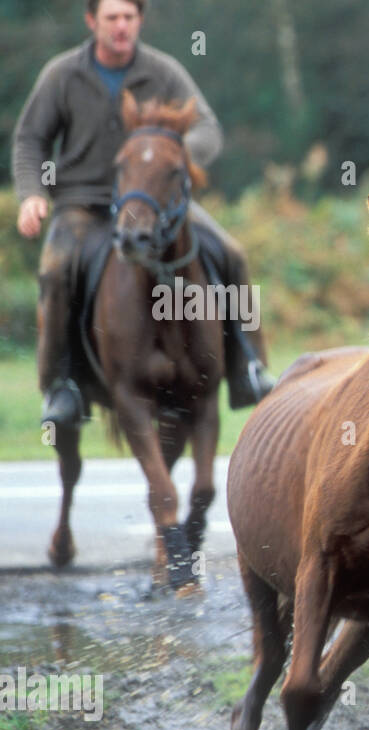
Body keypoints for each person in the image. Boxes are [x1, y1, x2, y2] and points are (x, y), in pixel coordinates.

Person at [12, 0, 274, 429]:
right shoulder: (61, 75)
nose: (121, 26)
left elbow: (208, 127)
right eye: (112, 17)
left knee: (232, 252)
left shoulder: (164, 70)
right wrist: (31, 194)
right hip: (84, 203)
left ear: (140, 21)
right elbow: (30, 140)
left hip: (152, 202)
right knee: (56, 271)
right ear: (92, 21)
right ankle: (59, 387)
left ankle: (248, 368)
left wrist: (167, 156)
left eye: (129, 18)